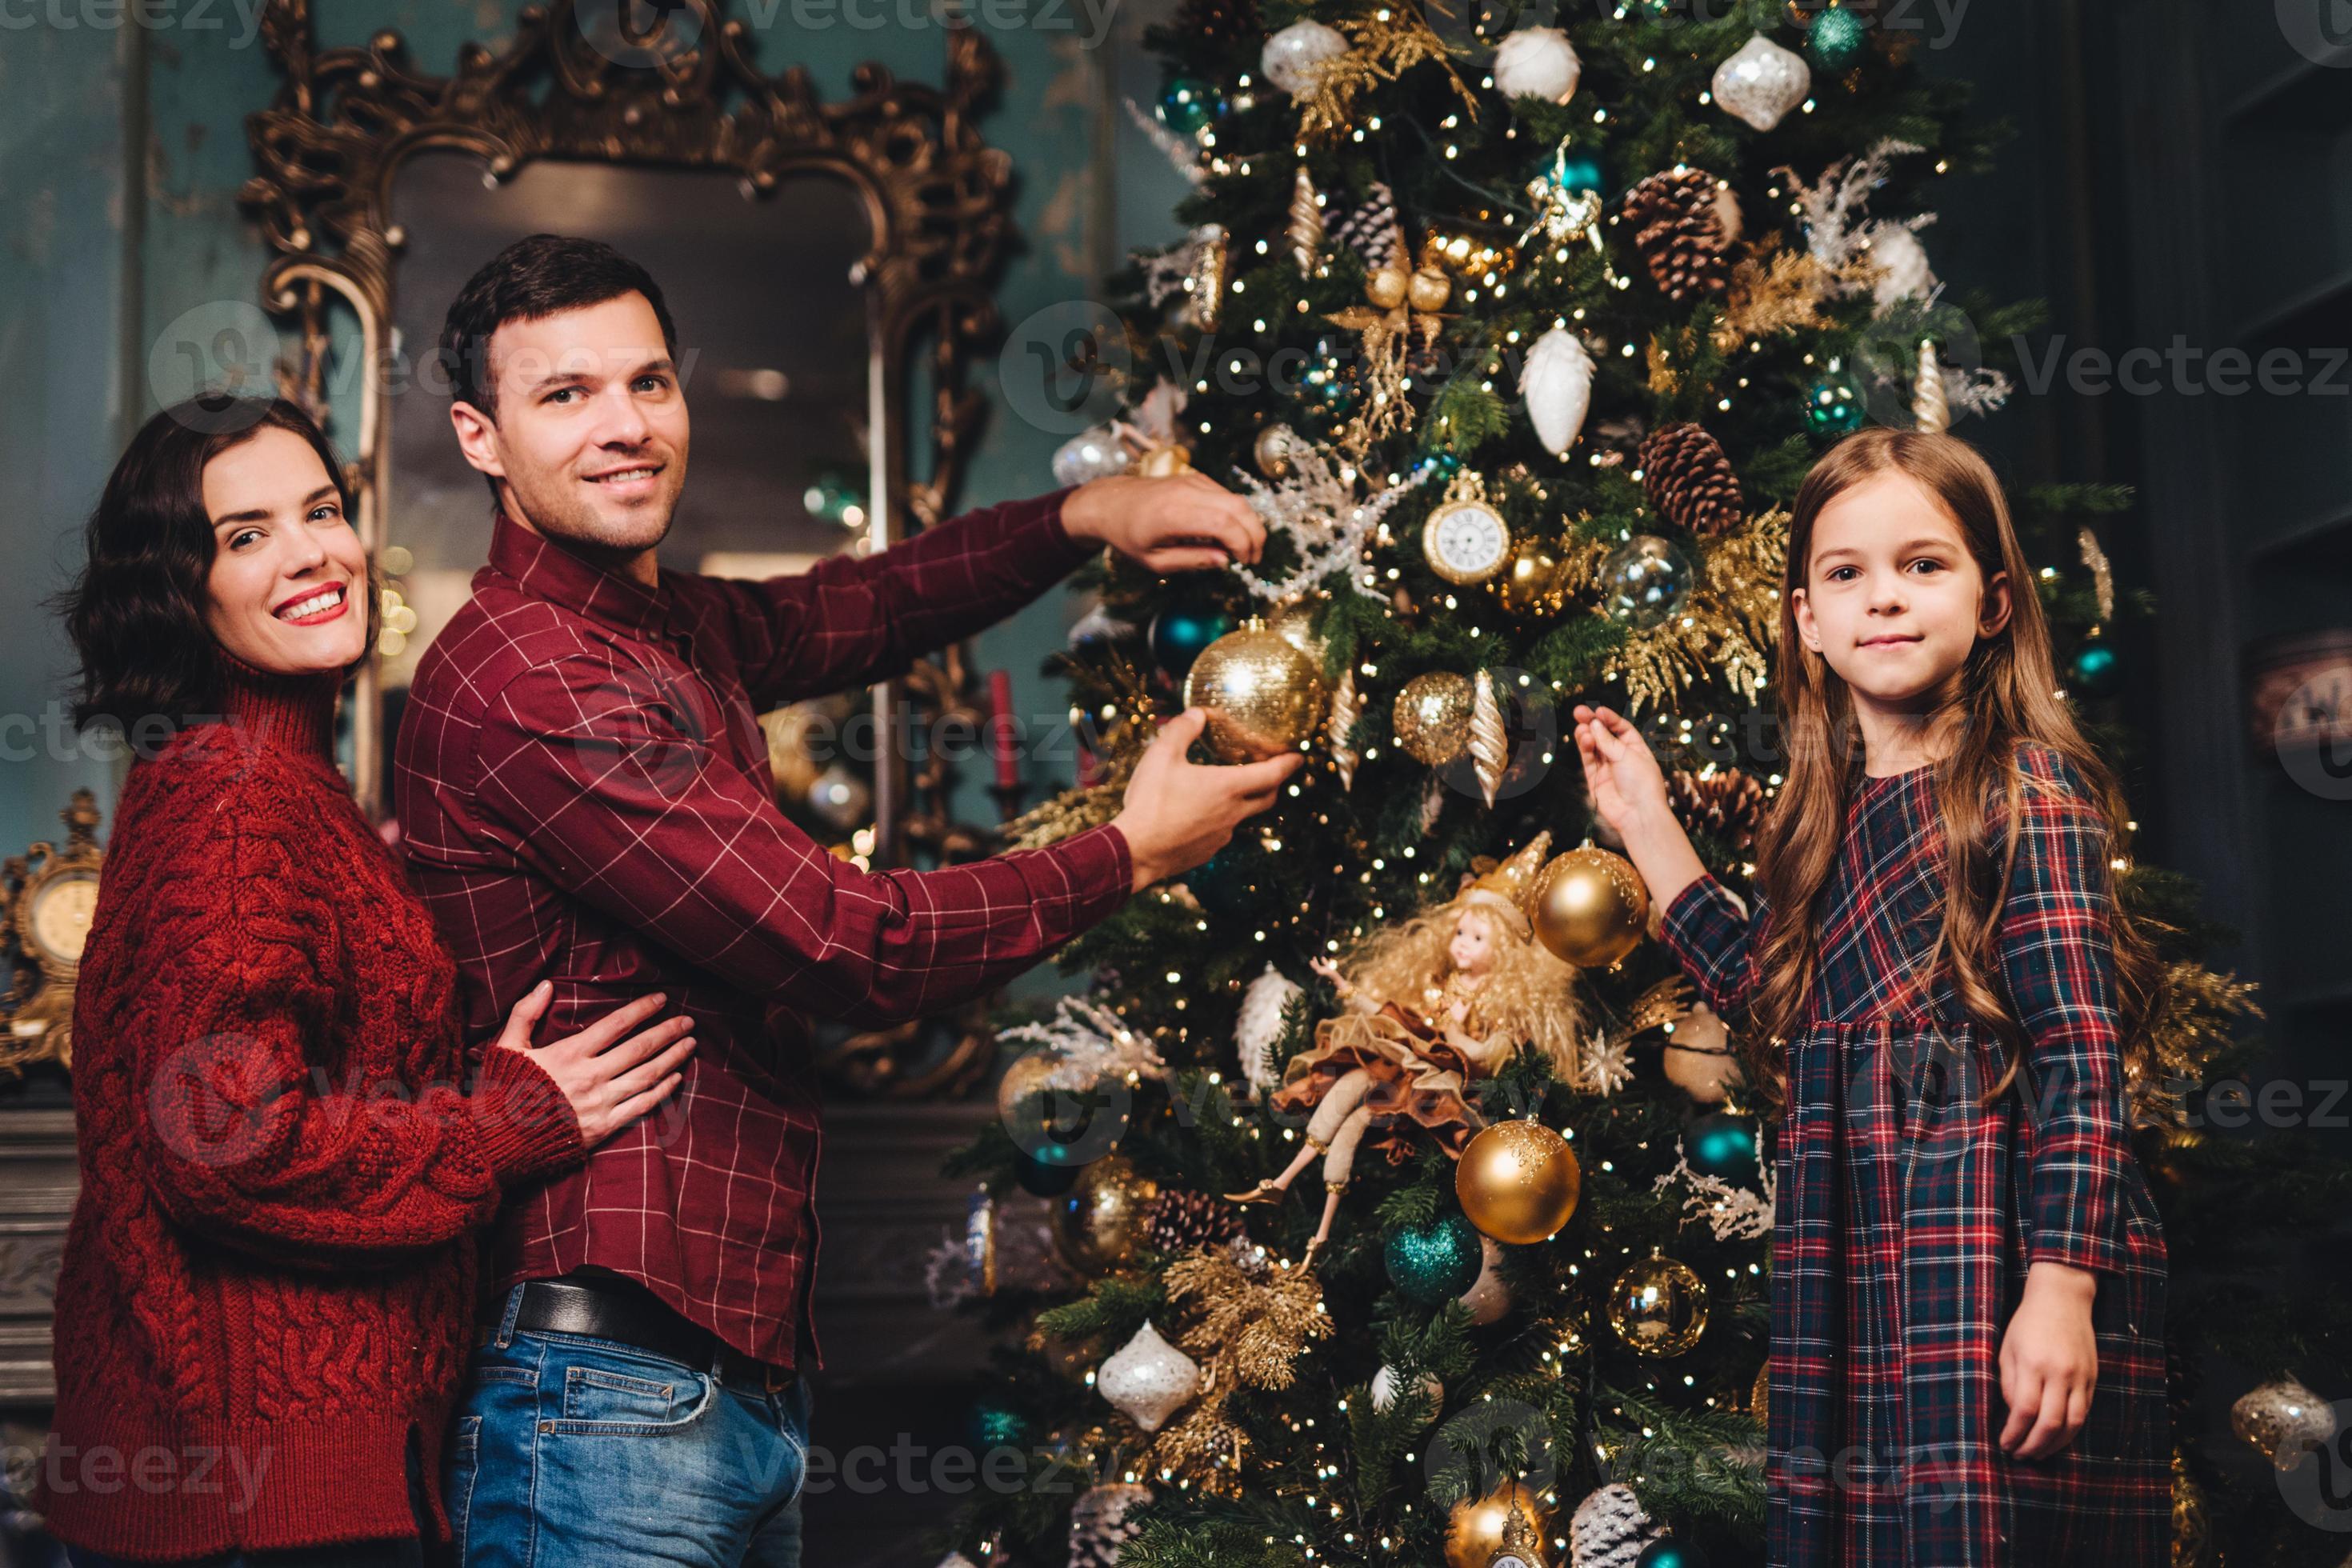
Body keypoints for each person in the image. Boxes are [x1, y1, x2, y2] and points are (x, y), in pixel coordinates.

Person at [391, 234, 1301, 1566]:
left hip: (715, 1385)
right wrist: (1133, 853)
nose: (626, 426)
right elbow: (848, 944)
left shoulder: (654, 631)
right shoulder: (533, 680)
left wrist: (1079, 519)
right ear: (481, 436)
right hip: (601, 1392)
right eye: (566, 395)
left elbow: (848, 611)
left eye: (649, 383)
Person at [39, 397, 698, 1566]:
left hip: (274, 1477)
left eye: (322, 511)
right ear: (178, 588)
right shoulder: (236, 800)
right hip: (263, 1496)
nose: (311, 553)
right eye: (245, 536)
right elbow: (225, 1142)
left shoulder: (269, 784)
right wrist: (504, 1124)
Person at [1573, 426, 2170, 1565]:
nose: (1883, 599)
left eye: (1923, 566)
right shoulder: (1820, 816)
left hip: (1987, 1247)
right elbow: (1782, 1009)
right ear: (1805, 617)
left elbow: (2080, 1058)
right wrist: (1648, 829)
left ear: (1993, 604)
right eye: (1847, 574)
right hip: (1852, 1259)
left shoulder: (2019, 794)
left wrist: (2062, 1288)